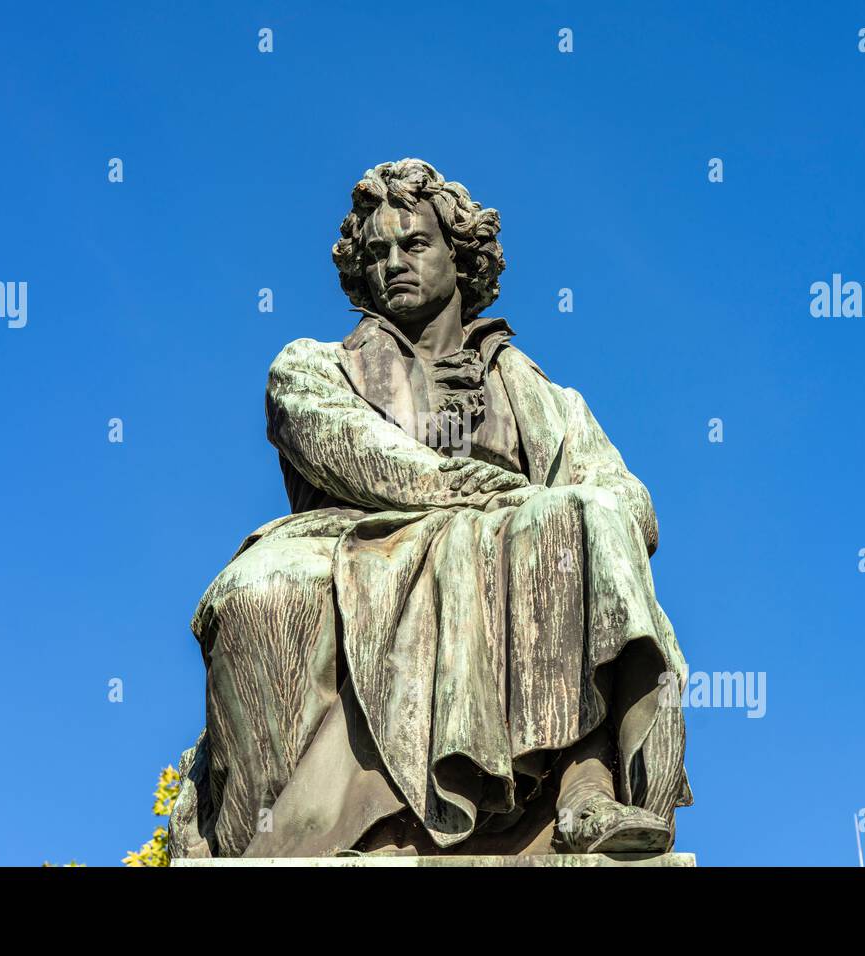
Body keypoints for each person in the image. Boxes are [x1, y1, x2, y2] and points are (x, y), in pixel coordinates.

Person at [170, 159, 692, 859]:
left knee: (579, 523)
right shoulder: (314, 364)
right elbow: (347, 448)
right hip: (359, 540)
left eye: (414, 245)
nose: (393, 264)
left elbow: (630, 502)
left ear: (459, 256)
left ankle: (585, 788)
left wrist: (545, 509)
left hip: (518, 548)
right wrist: (482, 495)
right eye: (377, 252)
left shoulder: (544, 397)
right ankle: (306, 836)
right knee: (261, 591)